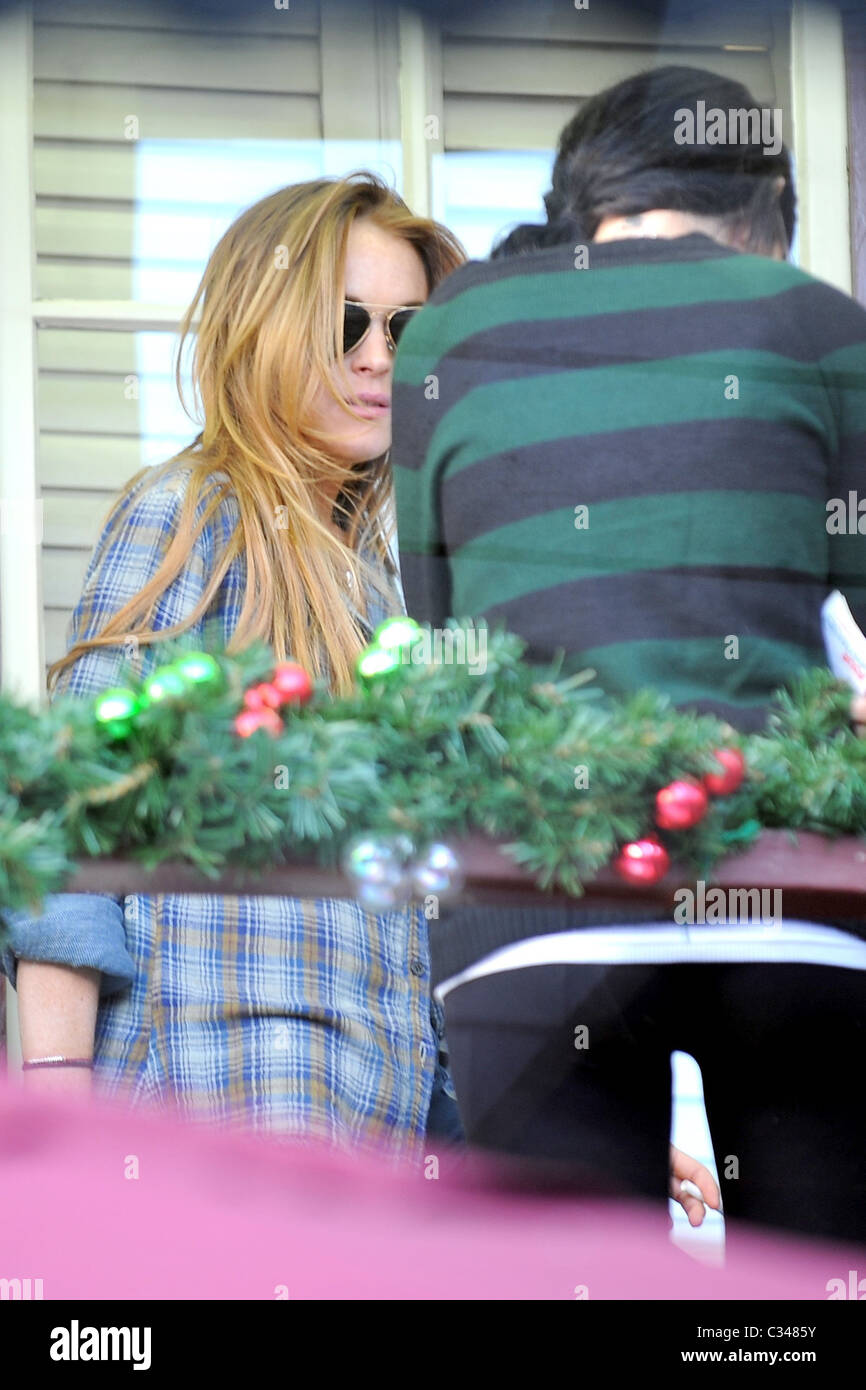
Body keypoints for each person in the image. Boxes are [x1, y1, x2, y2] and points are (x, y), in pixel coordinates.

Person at [391, 66, 866, 1242]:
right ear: (764, 217)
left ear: (577, 210)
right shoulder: (815, 323)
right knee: (800, 1298)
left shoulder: (452, 329)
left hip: (524, 900)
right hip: (786, 900)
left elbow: (436, 606)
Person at [1, 172, 466, 1154]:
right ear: (268, 327)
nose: (377, 357)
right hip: (214, 1115)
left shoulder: (380, 583)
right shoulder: (187, 512)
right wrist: (60, 1107)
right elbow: (62, 819)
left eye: (404, 330)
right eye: (344, 324)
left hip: (373, 1124)